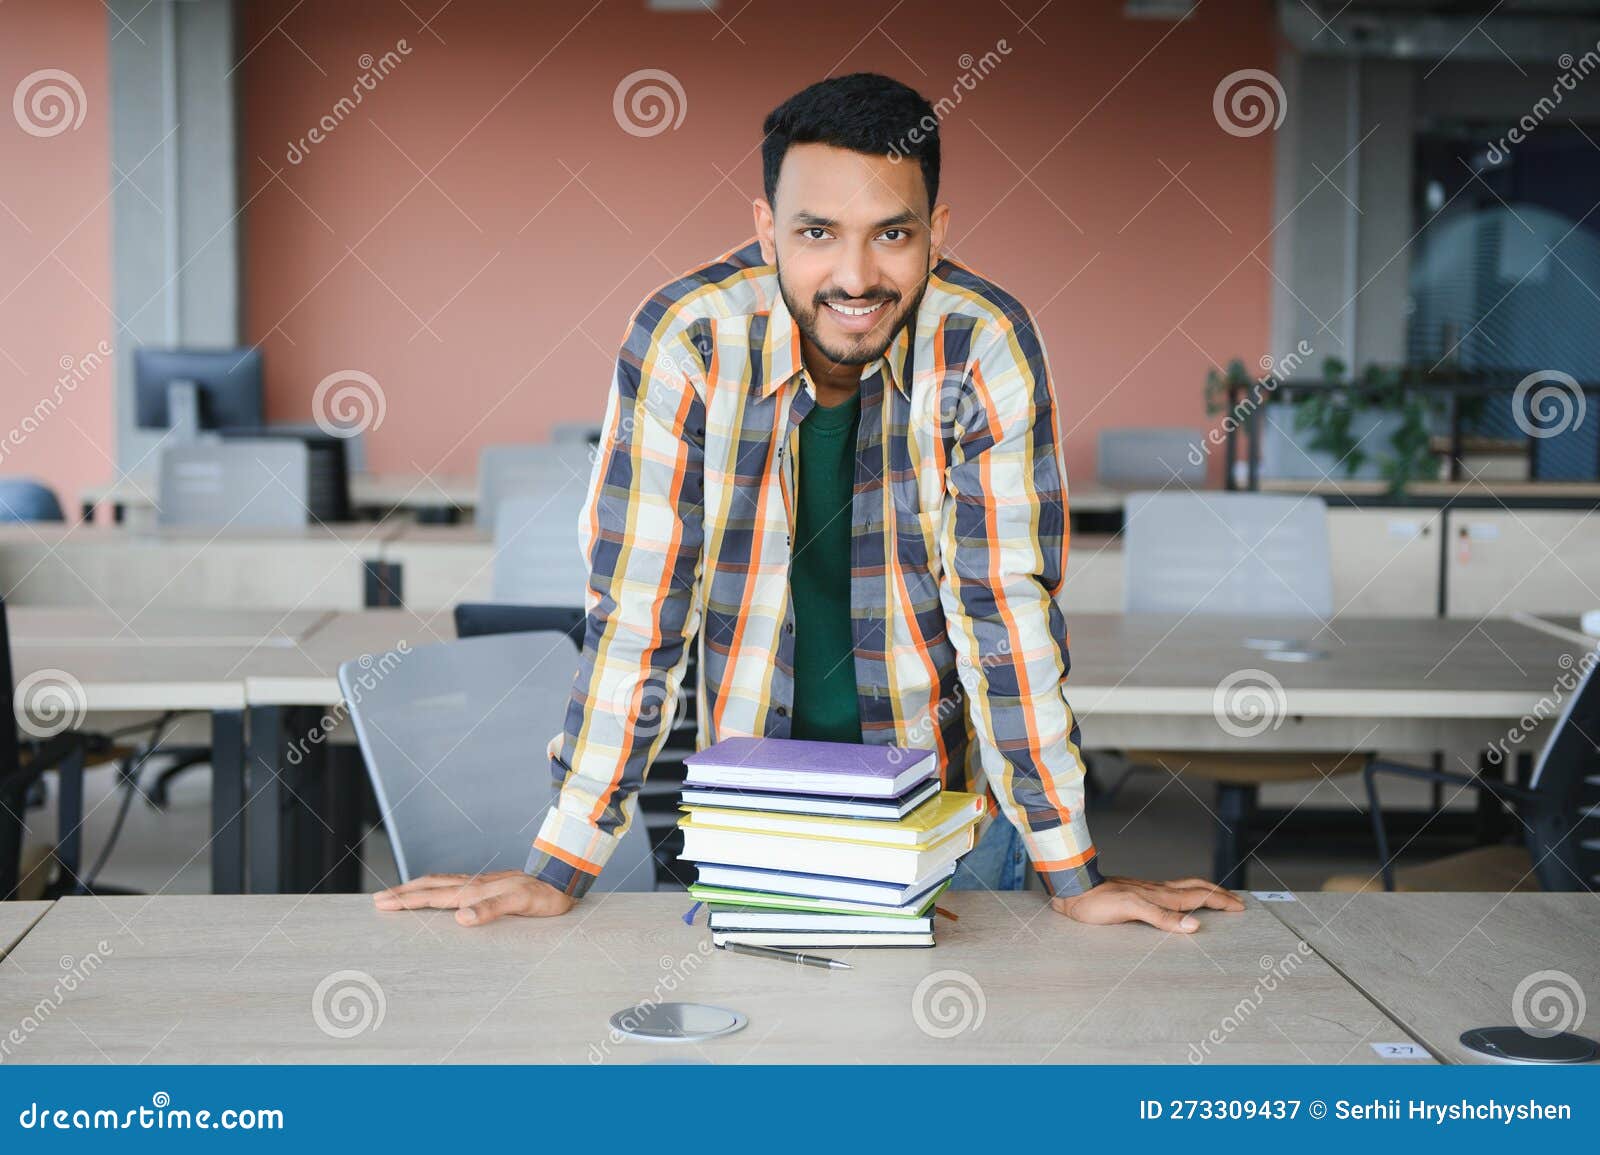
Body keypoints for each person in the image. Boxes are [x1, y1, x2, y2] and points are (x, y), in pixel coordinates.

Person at [375, 73, 1243, 932]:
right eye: (818, 232)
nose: (856, 275)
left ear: (936, 232)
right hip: (755, 822)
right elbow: (641, 614)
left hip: (948, 833)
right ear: (767, 229)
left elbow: (1005, 615)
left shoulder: (986, 344)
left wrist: (1072, 871)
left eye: (892, 233)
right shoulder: (692, 342)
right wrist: (560, 865)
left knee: (955, 1061)